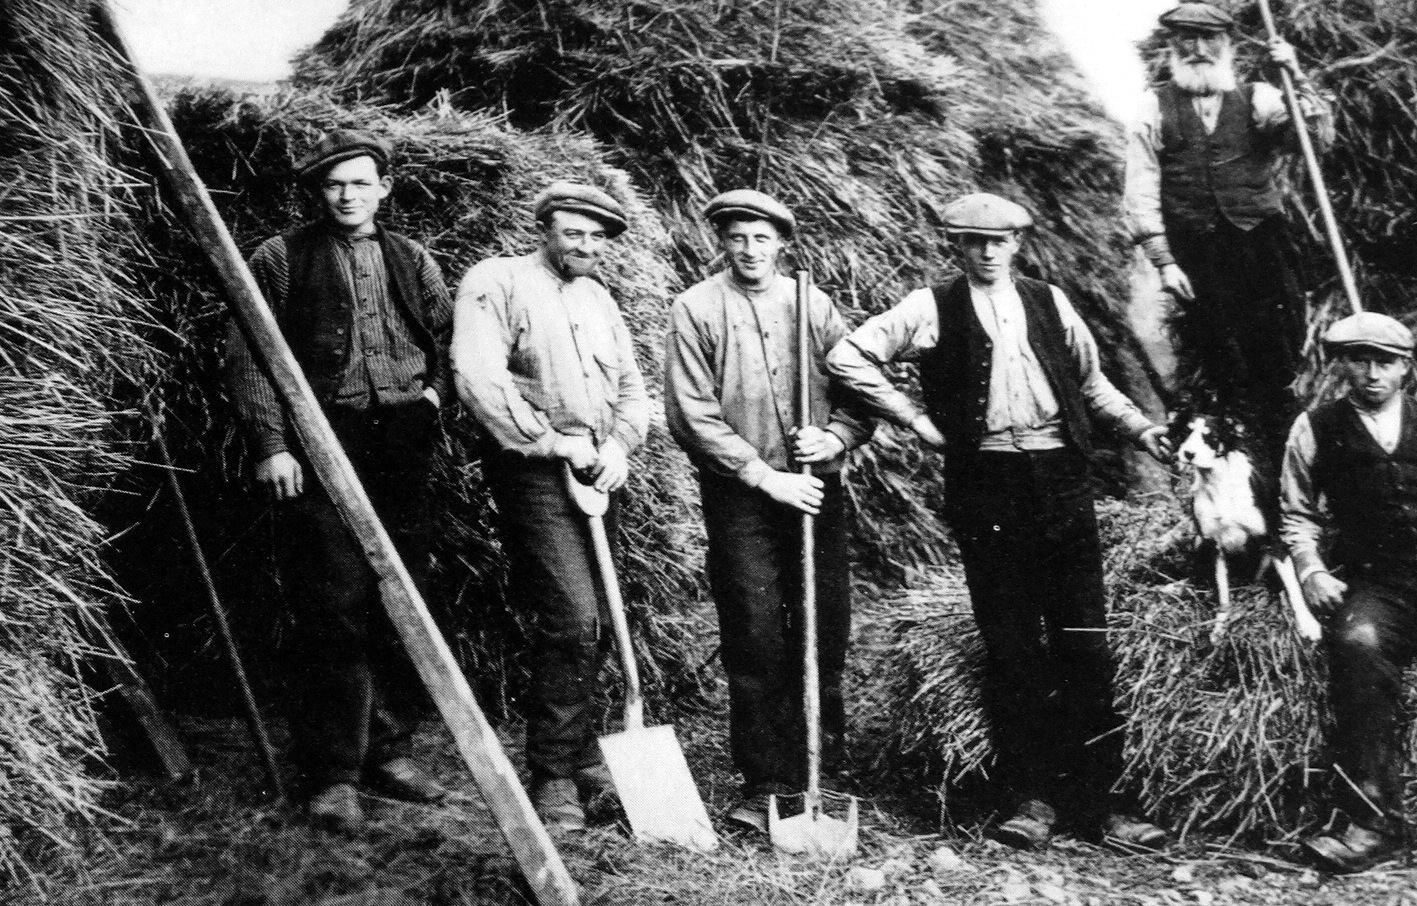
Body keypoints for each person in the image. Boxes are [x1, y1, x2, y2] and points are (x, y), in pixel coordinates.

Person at [827, 192, 1172, 850]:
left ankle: (1103, 803)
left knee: (1084, 643)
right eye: (972, 242)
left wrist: (1141, 430)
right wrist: (915, 420)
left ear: (1018, 243)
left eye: (999, 240)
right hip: (986, 487)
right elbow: (847, 355)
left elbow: (1091, 384)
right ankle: (1031, 798)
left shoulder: (1050, 302)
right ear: (955, 246)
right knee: (1013, 645)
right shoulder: (930, 306)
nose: (986, 252)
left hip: (1062, 481)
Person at [224, 129, 453, 832]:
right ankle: (333, 772)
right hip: (322, 445)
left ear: (385, 187)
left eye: (361, 182)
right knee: (333, 601)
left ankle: (388, 748)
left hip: (401, 445)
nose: (348, 195)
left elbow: (446, 339)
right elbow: (249, 353)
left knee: (398, 596)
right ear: (316, 193)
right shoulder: (280, 258)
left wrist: (434, 400)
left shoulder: (412, 259)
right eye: (334, 185)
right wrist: (271, 443)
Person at [664, 190, 874, 832]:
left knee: (823, 623)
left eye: (762, 239)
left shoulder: (815, 305)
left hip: (816, 489)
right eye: (737, 238)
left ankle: (819, 770)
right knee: (755, 631)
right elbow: (691, 415)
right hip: (741, 495)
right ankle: (764, 782)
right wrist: (763, 475)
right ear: (721, 242)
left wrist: (837, 435)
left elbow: (859, 386)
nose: (750, 250)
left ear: (782, 243)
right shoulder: (695, 308)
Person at [452, 182, 650, 833]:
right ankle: (552, 775)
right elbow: (479, 376)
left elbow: (629, 386)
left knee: (596, 619)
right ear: (544, 228)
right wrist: (552, 440)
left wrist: (620, 443)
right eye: (573, 232)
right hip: (534, 473)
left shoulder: (598, 299)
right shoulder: (498, 281)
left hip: (598, 475)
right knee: (570, 618)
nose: (586, 245)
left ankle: (583, 749)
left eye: (596, 237)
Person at [1124, 1, 1332, 461]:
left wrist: (1295, 76)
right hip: (1196, 254)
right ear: (1173, 46)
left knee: (1276, 356)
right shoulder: (1152, 106)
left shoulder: (1259, 97)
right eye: (1187, 40)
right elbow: (1140, 187)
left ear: (1227, 45)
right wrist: (1164, 261)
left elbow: (1312, 141)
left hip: (1260, 245)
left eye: (1209, 39)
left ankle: (1289, 457)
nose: (1198, 49)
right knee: (1221, 361)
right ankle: (1236, 458)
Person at [1280, 312, 1417, 873]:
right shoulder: (1314, 427)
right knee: (1357, 645)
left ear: (1406, 367)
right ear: (1340, 365)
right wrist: (1311, 570)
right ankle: (1374, 822)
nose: (1372, 373)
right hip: (1378, 582)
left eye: (1384, 361)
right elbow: (1296, 513)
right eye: (1358, 360)